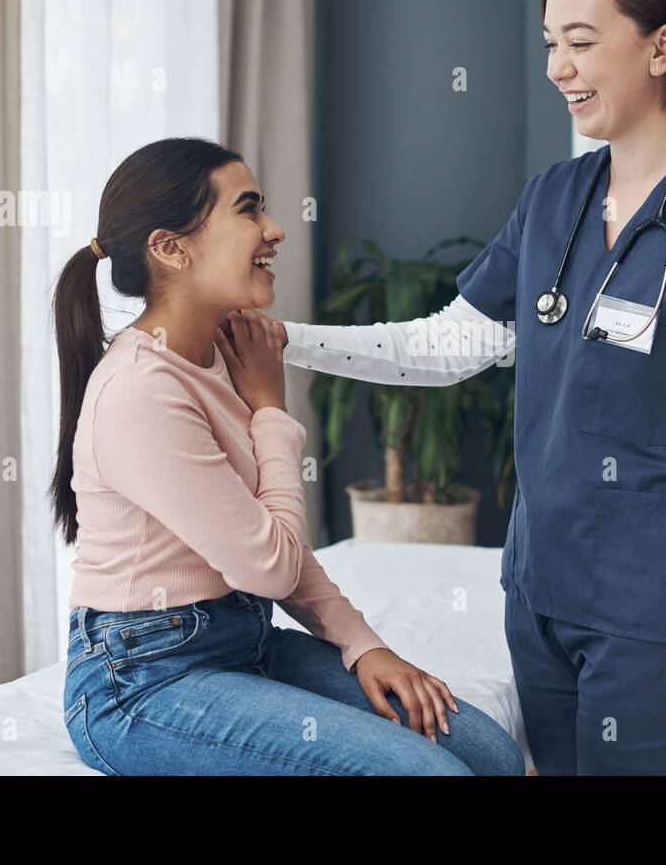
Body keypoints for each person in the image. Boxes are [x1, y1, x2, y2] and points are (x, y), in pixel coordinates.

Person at [255, 0, 666, 775]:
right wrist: (283, 341)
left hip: (663, 615)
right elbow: (448, 345)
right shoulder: (555, 196)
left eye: (582, 43)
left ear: (663, 45)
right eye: (552, 44)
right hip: (543, 599)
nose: (558, 66)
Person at [50, 137, 525, 776]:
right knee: (429, 773)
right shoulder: (142, 390)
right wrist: (270, 410)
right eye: (248, 211)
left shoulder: (220, 356)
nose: (274, 230)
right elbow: (270, 566)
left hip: (240, 640)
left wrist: (364, 646)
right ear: (171, 248)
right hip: (141, 680)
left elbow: (272, 551)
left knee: (487, 753)